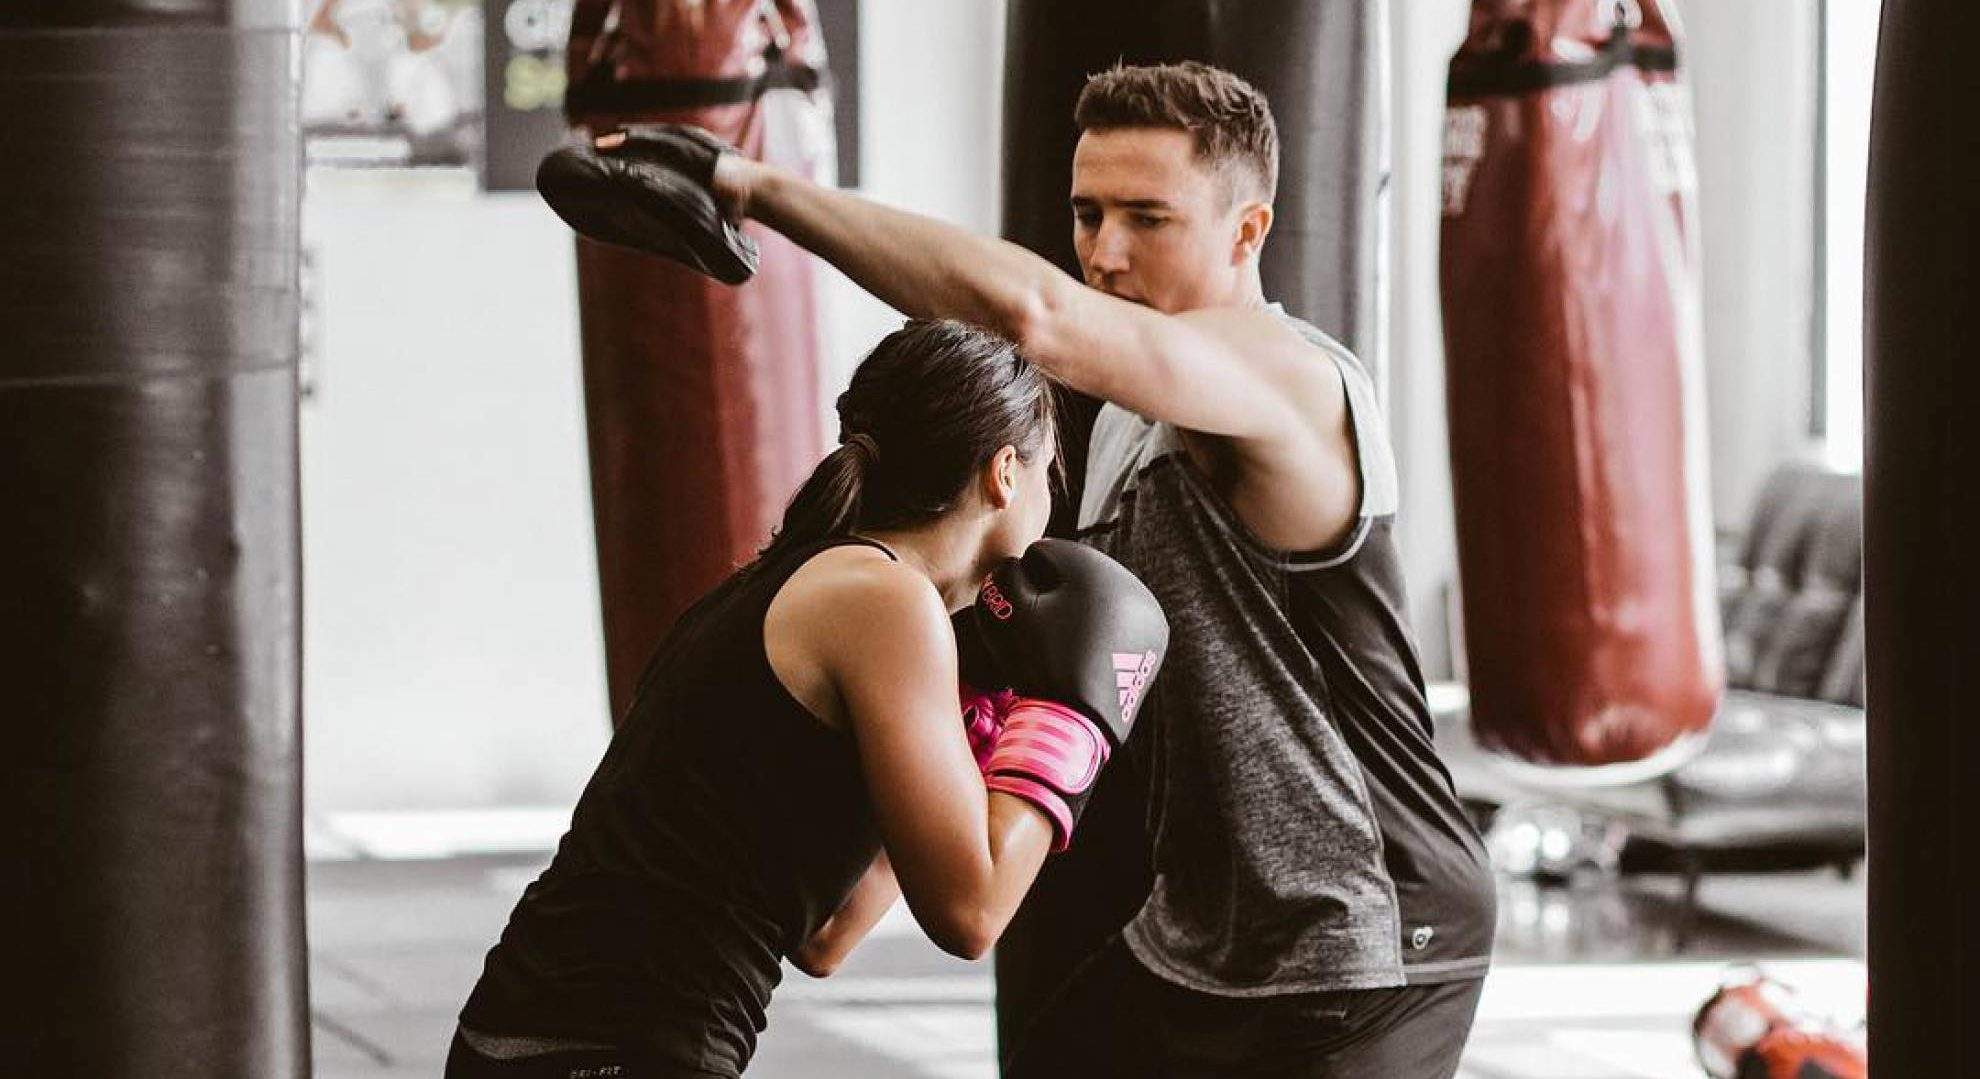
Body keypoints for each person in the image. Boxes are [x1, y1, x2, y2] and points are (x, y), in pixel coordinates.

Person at [542, 59, 1497, 1077]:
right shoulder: (1129, 420)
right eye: (1087, 214)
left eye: (1148, 218)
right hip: (1205, 932)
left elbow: (1038, 319)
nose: (1106, 252)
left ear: (1247, 231)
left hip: (1369, 929)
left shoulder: (1293, 379)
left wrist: (751, 184)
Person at [447, 318, 1168, 1078]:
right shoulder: (885, 600)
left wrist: (973, 736)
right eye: (1048, 473)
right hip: (609, 1046)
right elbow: (971, 912)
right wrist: (1068, 720)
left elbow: (826, 934)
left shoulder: (816, 577)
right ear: (1004, 474)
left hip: (545, 1031)